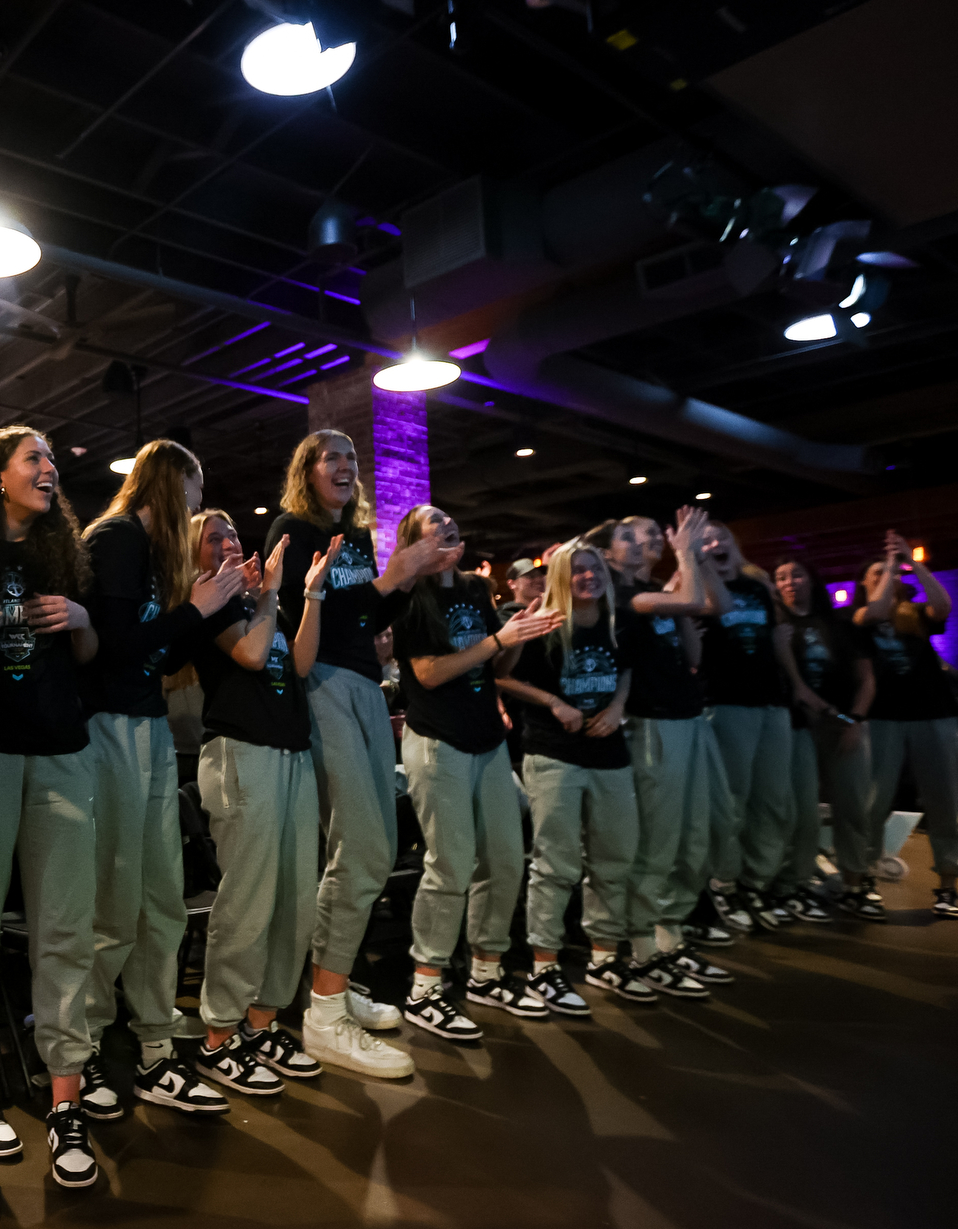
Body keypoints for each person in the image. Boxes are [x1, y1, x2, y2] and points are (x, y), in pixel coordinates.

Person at [262, 430, 446, 1078]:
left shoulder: (362, 539)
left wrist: (398, 583)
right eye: (330, 457)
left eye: (351, 458)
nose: (345, 465)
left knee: (373, 846)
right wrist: (396, 576)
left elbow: (364, 616)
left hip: (367, 684)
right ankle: (324, 1013)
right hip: (320, 687)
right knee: (363, 848)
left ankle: (330, 987)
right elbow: (306, 619)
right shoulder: (292, 527)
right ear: (306, 470)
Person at [0, 425, 102, 1189]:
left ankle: (66, 1094)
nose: (49, 469)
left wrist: (82, 622)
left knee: (66, 929)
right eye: (33, 459)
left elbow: (87, 655)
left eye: (52, 458)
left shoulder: (60, 555)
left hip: (62, 752)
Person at [77, 440, 242, 1120]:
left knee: (162, 902)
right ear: (171, 485)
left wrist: (220, 604)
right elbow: (114, 647)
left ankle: (153, 1048)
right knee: (113, 905)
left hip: (142, 725)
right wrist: (196, 611)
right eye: (195, 490)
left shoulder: (150, 555)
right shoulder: (116, 537)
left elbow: (164, 651)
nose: (199, 506)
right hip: (107, 726)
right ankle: (80, 1052)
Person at [186, 512, 346, 1093]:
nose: (230, 542)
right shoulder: (207, 602)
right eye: (215, 537)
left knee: (294, 897)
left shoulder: (261, 602)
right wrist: (269, 594)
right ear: (194, 553)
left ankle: (262, 1021)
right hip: (240, 753)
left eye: (233, 534)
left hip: (290, 752)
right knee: (248, 901)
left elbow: (296, 664)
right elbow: (252, 658)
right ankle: (218, 1034)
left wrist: (310, 594)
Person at [391, 505, 561, 1040]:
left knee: (506, 860)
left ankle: (486, 973)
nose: (445, 527)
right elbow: (429, 672)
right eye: (432, 524)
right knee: (451, 864)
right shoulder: (411, 595)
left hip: (488, 739)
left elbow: (495, 666)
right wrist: (497, 642)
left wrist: (517, 636)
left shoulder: (472, 587)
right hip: (439, 741)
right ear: (412, 543)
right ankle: (426, 987)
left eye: (449, 521)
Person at [500, 541, 691, 1009]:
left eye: (595, 568)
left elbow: (625, 671)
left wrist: (619, 706)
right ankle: (544, 966)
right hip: (553, 754)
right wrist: (554, 702)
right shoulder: (544, 620)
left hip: (609, 753)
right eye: (579, 570)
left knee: (615, 858)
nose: (589, 576)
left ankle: (605, 959)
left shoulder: (619, 620)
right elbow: (502, 677)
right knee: (556, 863)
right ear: (563, 576)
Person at [595, 511, 736, 985]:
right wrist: (686, 557)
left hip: (689, 717)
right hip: (652, 722)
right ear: (608, 550)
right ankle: (641, 941)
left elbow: (718, 606)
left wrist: (698, 557)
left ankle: (670, 932)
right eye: (631, 533)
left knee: (695, 834)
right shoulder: (620, 592)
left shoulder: (658, 590)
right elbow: (695, 599)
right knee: (658, 839)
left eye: (655, 533)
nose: (647, 539)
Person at [854, 530, 958, 919]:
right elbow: (872, 610)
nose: (885, 577)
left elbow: (942, 604)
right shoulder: (859, 619)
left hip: (935, 714)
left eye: (888, 574)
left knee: (944, 802)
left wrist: (913, 563)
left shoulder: (915, 616)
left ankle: (948, 885)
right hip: (883, 718)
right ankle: (865, 880)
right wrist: (889, 565)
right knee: (873, 803)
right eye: (875, 574)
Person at [697, 521, 796, 933]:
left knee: (773, 800)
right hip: (726, 702)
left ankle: (757, 883)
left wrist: (798, 689)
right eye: (707, 541)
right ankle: (725, 881)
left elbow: (776, 642)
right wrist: (699, 565)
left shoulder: (757, 589)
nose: (716, 544)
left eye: (723, 538)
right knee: (730, 801)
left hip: (771, 702)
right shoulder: (698, 591)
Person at [770, 557, 879, 921]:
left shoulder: (841, 624)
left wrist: (856, 721)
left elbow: (866, 679)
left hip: (842, 723)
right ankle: (797, 883)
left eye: (797, 574)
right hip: (796, 727)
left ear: (811, 580)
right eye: (781, 577)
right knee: (800, 813)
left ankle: (855, 884)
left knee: (853, 808)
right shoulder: (775, 626)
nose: (789, 582)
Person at [498, 557, 545, 624]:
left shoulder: (551, 608)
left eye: (540, 575)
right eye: (531, 576)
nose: (538, 580)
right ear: (512, 584)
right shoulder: (504, 616)